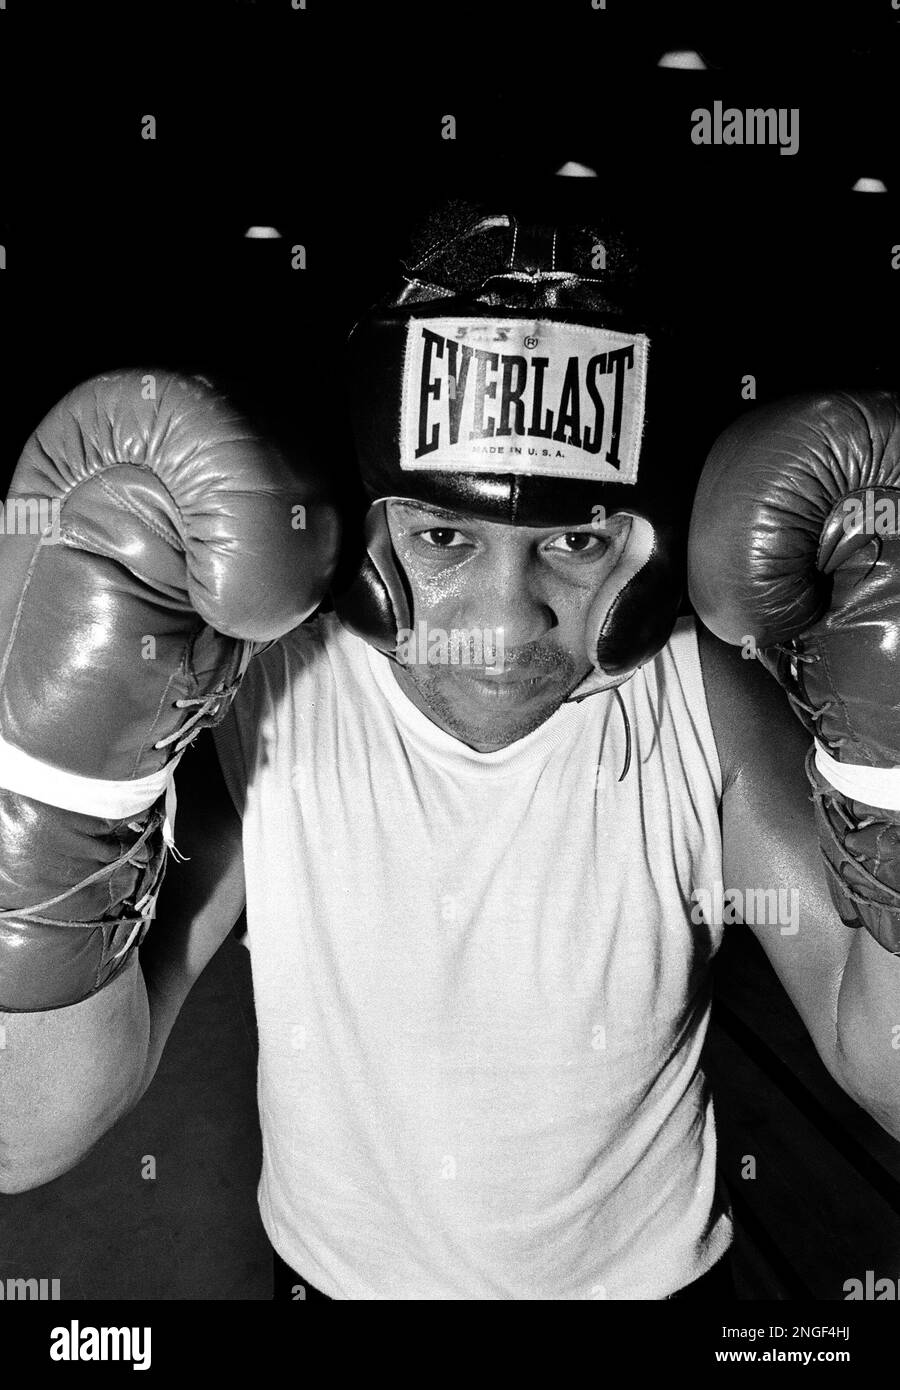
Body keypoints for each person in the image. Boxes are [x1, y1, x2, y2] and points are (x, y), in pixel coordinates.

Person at [2, 202, 899, 1302]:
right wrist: (54, 781)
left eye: (577, 539)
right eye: (442, 534)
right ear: (366, 530)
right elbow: (23, 1125)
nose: (507, 621)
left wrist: (890, 764)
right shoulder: (278, 695)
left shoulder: (698, 700)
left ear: (655, 542)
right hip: (333, 1283)